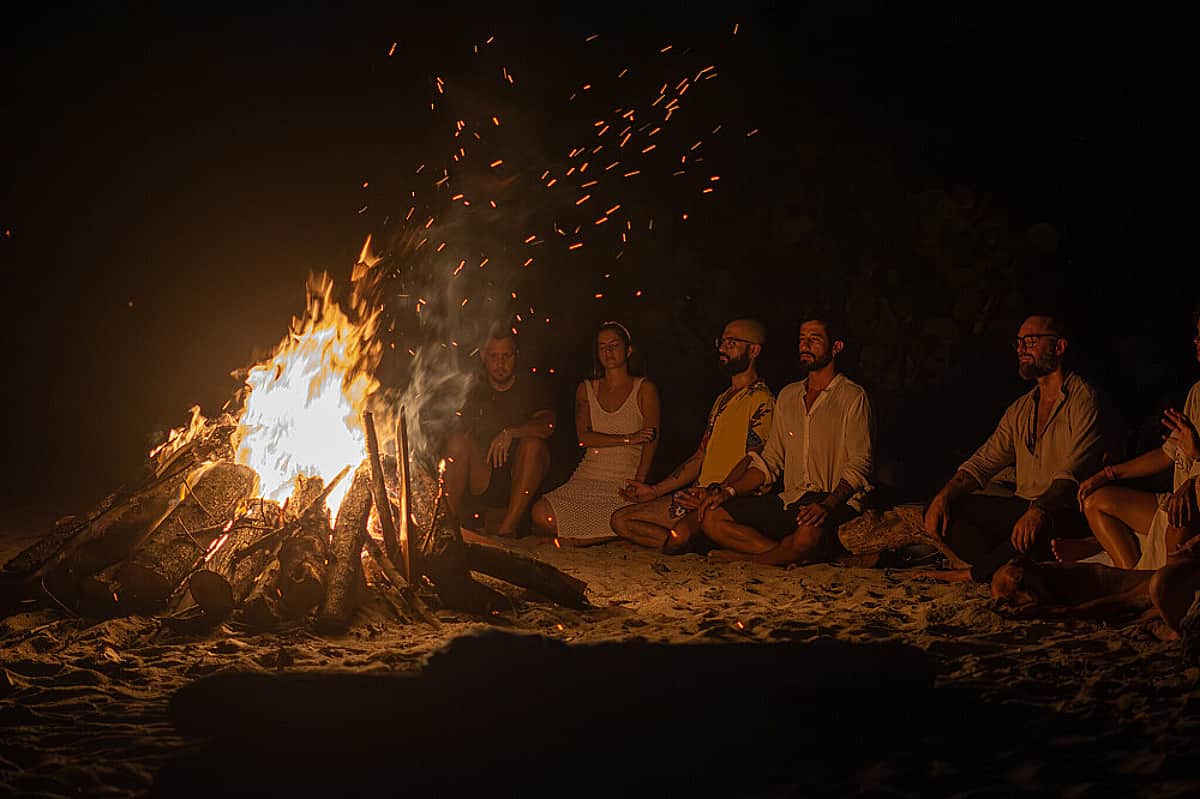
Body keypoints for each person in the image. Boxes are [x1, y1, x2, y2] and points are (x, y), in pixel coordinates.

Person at [921, 314, 1111, 582]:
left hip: (1064, 511)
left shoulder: (1084, 401)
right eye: (1019, 342)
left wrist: (1039, 510)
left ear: (1059, 347)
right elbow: (983, 462)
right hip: (1023, 508)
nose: (1021, 349)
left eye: (1031, 341)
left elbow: (1071, 475)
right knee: (943, 508)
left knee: (1040, 530)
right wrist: (944, 497)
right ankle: (1005, 563)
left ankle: (975, 573)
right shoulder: (1021, 408)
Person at [693, 315, 873, 566]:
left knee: (806, 534)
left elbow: (860, 463)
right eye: (801, 339)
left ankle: (749, 560)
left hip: (833, 501)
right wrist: (728, 491)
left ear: (836, 347)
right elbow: (770, 461)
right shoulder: (789, 396)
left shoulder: (852, 396)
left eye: (814, 339)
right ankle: (782, 555)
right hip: (792, 499)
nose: (805, 345)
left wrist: (828, 504)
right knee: (712, 518)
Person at [610, 318, 775, 551]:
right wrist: (654, 490)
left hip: (727, 499)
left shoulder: (762, 400)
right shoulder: (723, 398)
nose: (722, 348)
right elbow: (700, 457)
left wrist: (716, 492)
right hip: (699, 493)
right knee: (621, 520)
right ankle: (699, 541)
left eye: (732, 342)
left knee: (677, 538)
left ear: (754, 350)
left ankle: (704, 539)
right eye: (722, 341)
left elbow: (754, 460)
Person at [1066, 314, 1200, 569]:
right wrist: (1107, 475)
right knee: (1096, 501)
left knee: (1180, 521)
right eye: (1197, 334)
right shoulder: (1197, 392)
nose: (1196, 341)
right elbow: (1167, 454)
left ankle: (1139, 584)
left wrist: (1196, 467)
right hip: (1177, 502)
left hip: (1192, 511)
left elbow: (1193, 456)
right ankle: (1129, 578)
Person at [531, 322, 660, 544]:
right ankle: (598, 536)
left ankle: (585, 537)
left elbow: (651, 440)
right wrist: (628, 438)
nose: (608, 352)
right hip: (589, 475)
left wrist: (639, 482)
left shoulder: (644, 389)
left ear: (628, 350)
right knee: (541, 513)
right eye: (602, 347)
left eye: (614, 345)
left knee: (623, 514)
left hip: (623, 478)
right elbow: (584, 437)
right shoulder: (587, 389)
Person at [444, 327, 555, 537]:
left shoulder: (530, 386)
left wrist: (511, 432)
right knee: (457, 443)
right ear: (484, 356)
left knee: (533, 445)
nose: (500, 364)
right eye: (494, 356)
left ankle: (507, 529)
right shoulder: (474, 389)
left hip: (521, 478)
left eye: (506, 356)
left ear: (516, 355)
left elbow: (548, 425)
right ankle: (447, 523)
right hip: (484, 475)